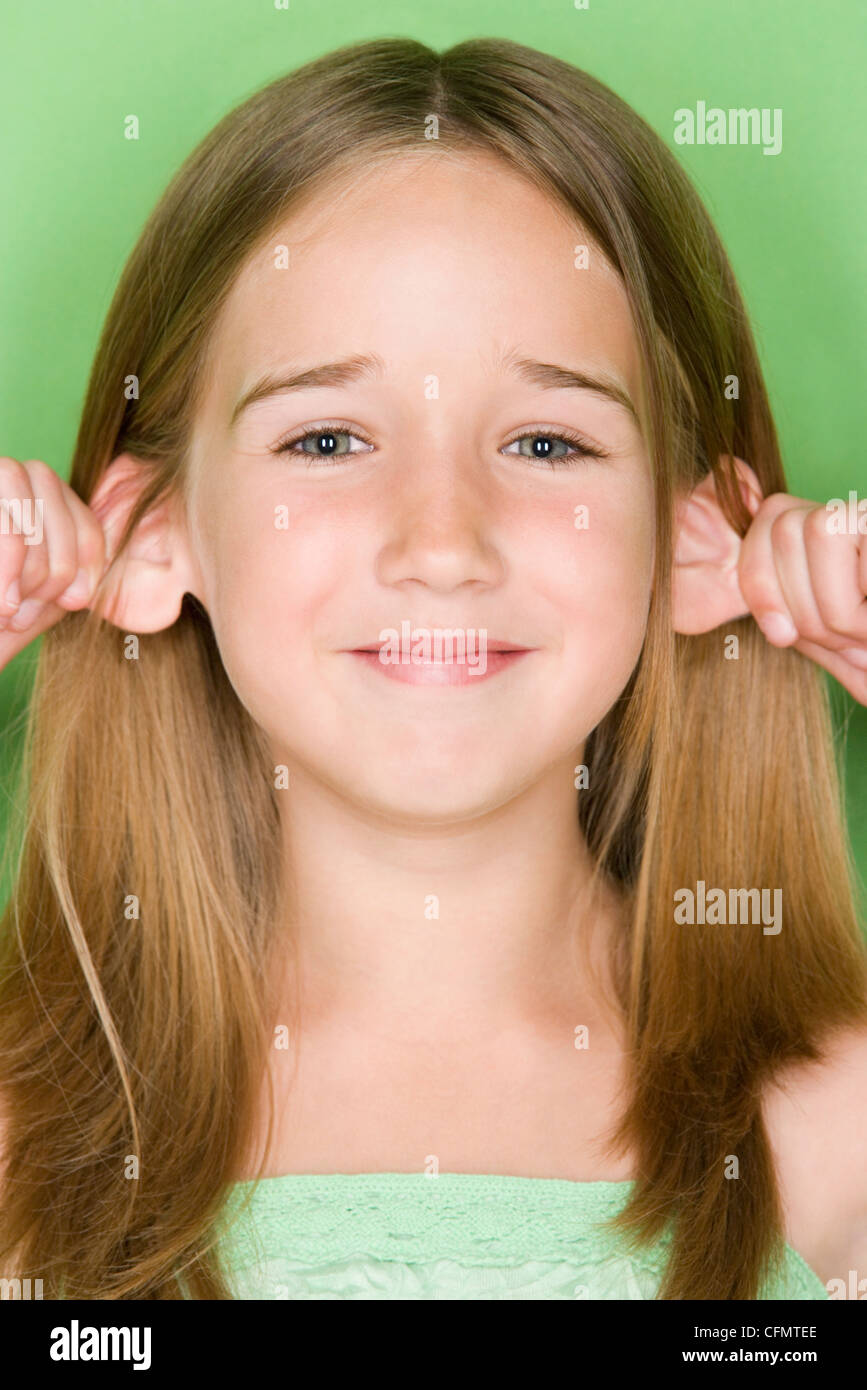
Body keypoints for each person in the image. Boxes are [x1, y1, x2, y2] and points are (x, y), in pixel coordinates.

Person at [0, 36, 865, 1301]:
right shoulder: (23, 1146)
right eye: (331, 435)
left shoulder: (834, 1132)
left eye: (547, 441)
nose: (443, 542)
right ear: (150, 537)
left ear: (695, 542)